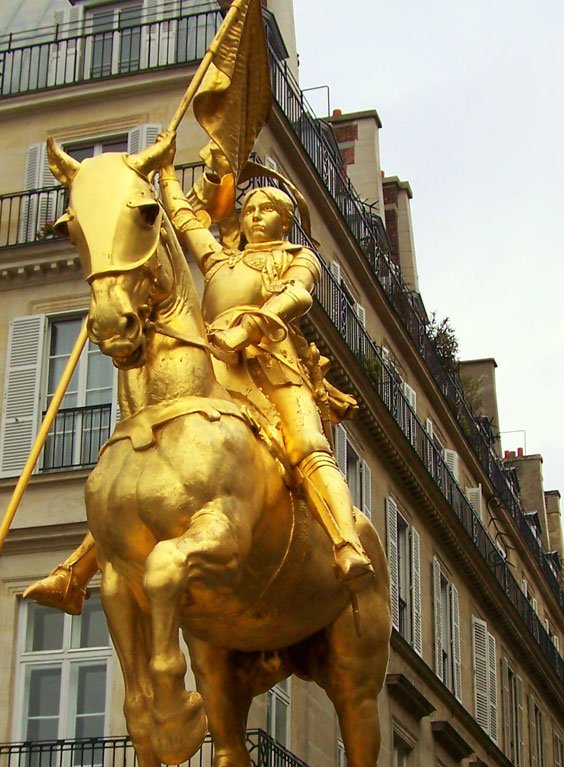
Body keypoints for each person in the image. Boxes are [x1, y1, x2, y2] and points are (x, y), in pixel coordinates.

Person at [25, 135, 372, 615]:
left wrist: (249, 326)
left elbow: (297, 295)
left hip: (273, 363)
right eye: (249, 209)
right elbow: (186, 222)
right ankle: (76, 570)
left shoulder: (296, 255)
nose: (254, 216)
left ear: (285, 219)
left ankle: (346, 543)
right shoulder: (222, 260)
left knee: (307, 446)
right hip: (216, 361)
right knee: (144, 464)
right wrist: (168, 174)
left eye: (266, 209)